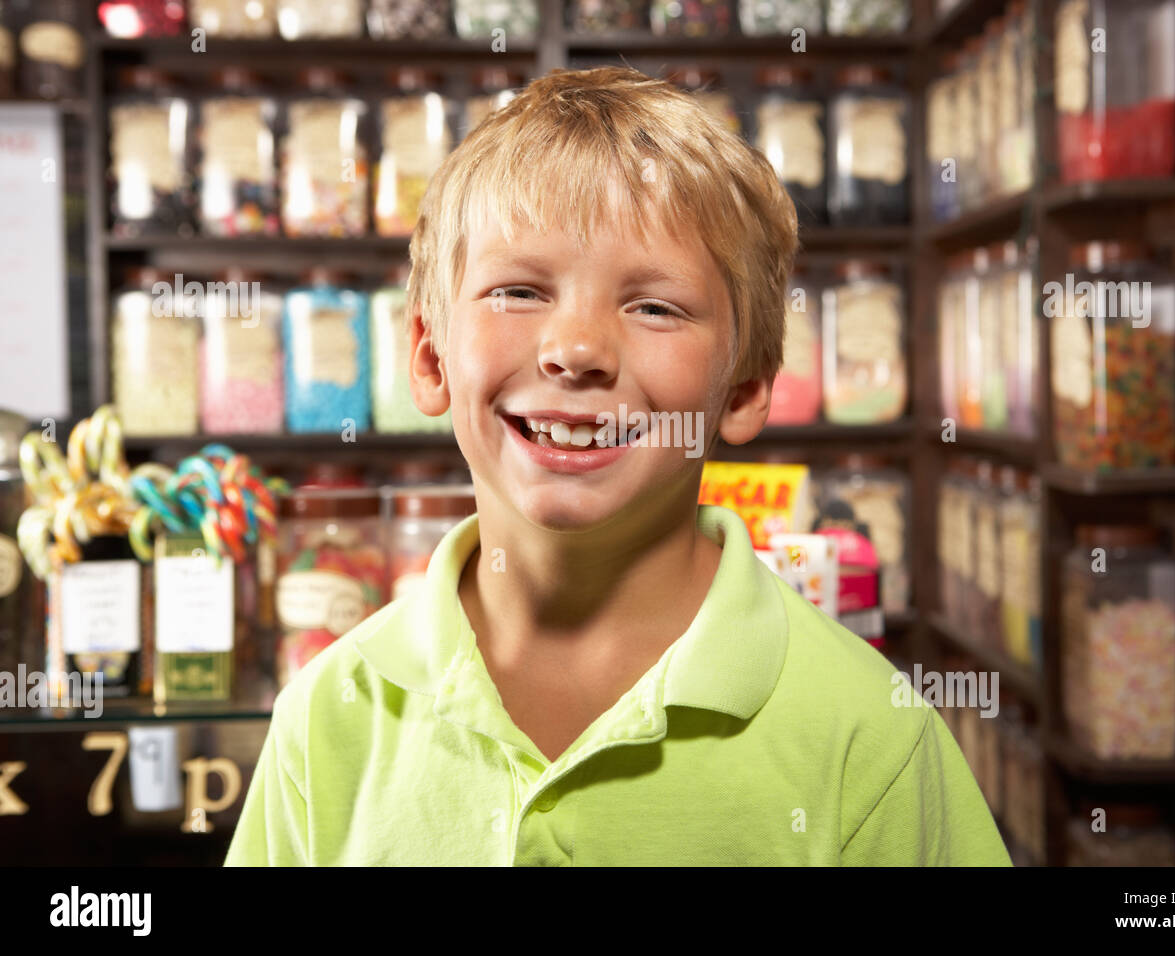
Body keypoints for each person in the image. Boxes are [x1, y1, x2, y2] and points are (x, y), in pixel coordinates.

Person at [225, 66, 1011, 866]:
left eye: (655, 307)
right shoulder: (325, 722)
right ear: (429, 358)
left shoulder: (870, 741)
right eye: (519, 291)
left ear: (742, 388)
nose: (576, 351)